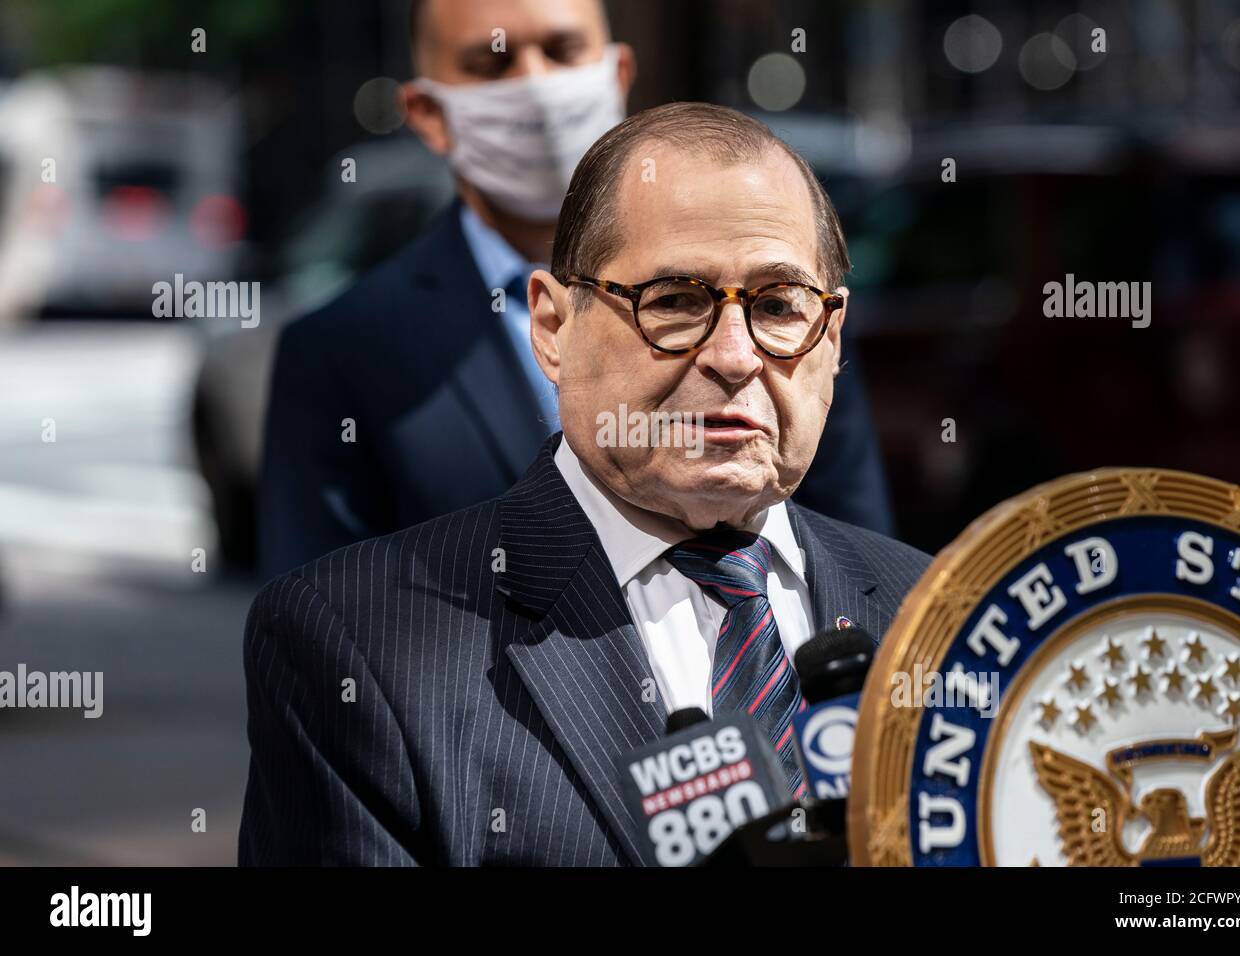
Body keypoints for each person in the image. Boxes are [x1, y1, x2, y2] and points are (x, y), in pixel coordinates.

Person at [238, 102, 928, 866]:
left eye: (777, 306)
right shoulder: (357, 643)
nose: (734, 357)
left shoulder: (942, 618)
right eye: (675, 300)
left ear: (830, 342)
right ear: (552, 328)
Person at [255, 0, 896, 582]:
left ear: (616, 74)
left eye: (562, 52)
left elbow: (855, 563)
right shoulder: (342, 348)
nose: (535, 87)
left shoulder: (785, 312)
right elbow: (324, 616)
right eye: (493, 61)